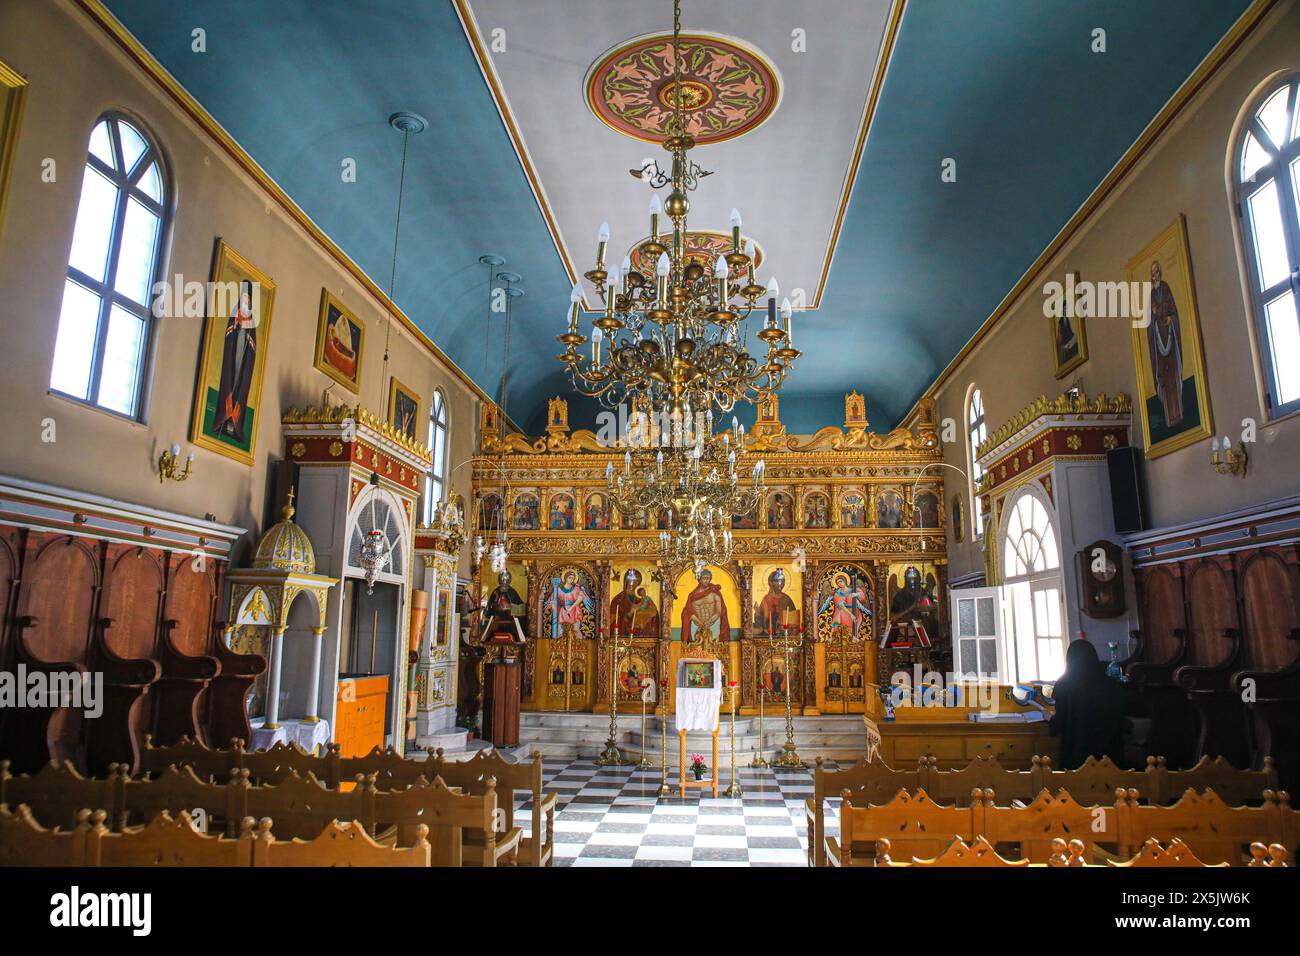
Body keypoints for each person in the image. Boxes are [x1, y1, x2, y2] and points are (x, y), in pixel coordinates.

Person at [1048, 639, 1125, 769]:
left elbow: (1060, 724)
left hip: (1075, 757)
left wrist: (1051, 722)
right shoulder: (1110, 685)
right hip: (1108, 757)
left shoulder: (1064, 684)